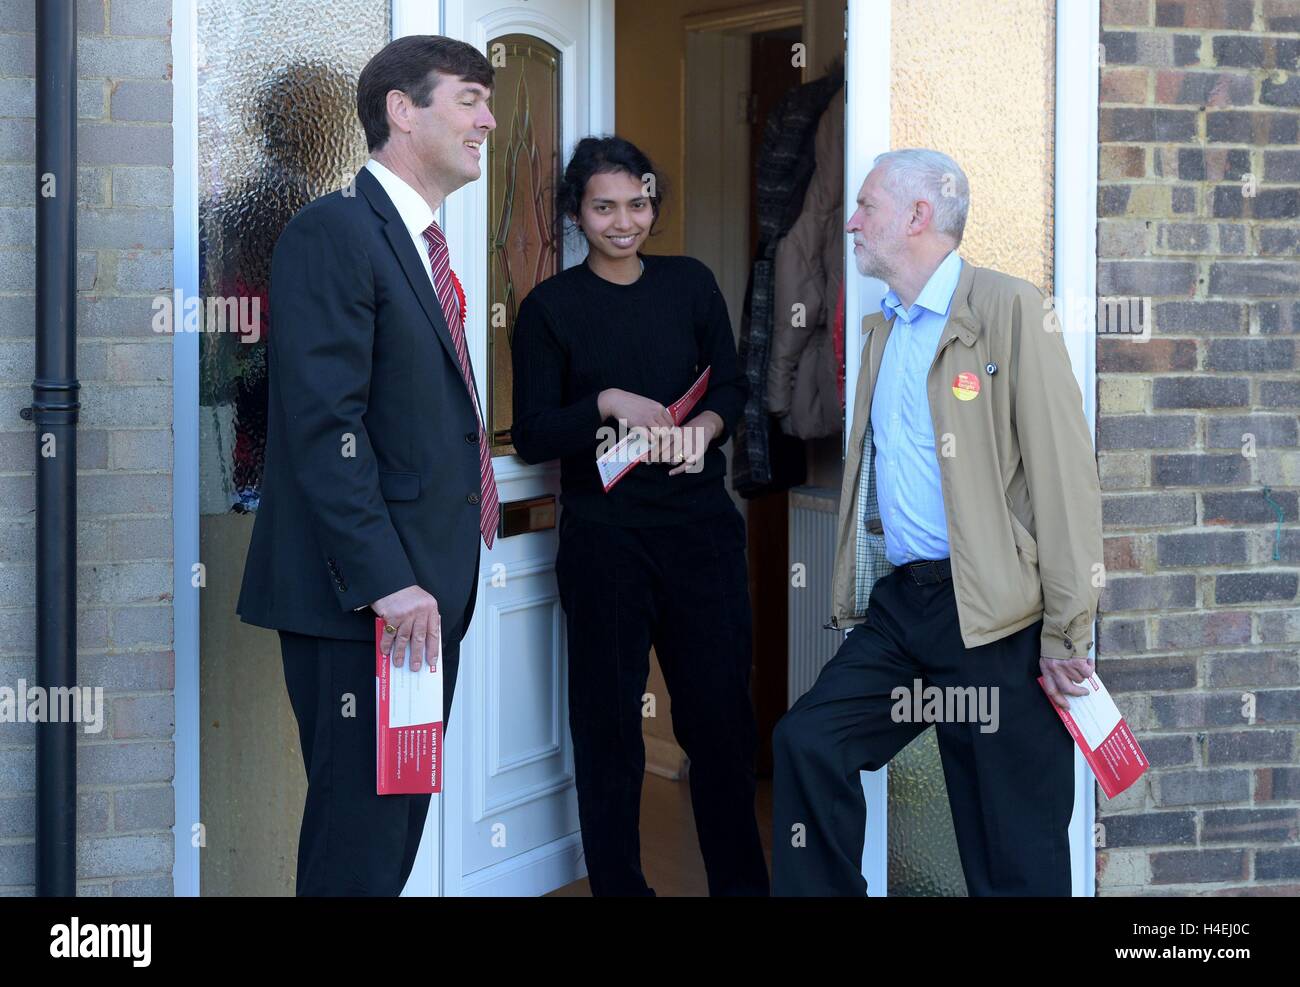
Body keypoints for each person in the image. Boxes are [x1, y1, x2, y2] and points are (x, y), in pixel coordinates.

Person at [772, 148, 1103, 896]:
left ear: (918, 216)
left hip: (998, 618)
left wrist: (1067, 630)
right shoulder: (882, 328)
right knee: (810, 741)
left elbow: (1065, 482)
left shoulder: (1012, 309)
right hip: (905, 606)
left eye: (866, 208)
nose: (850, 222)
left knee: (1009, 846)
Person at [236, 35, 498, 896]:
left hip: (417, 607)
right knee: (358, 847)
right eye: (468, 98)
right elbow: (323, 425)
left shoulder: (421, 245)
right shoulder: (336, 231)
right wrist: (389, 581)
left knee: (387, 841)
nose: (488, 119)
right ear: (401, 109)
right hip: (367, 605)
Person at [510, 137, 769, 896]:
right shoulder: (549, 308)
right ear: (576, 213)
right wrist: (605, 402)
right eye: (603, 207)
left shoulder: (690, 284)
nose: (624, 222)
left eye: (638, 204)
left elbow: (731, 386)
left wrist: (706, 430)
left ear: (654, 204)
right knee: (611, 730)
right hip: (605, 544)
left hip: (702, 538)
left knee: (720, 727)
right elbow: (530, 433)